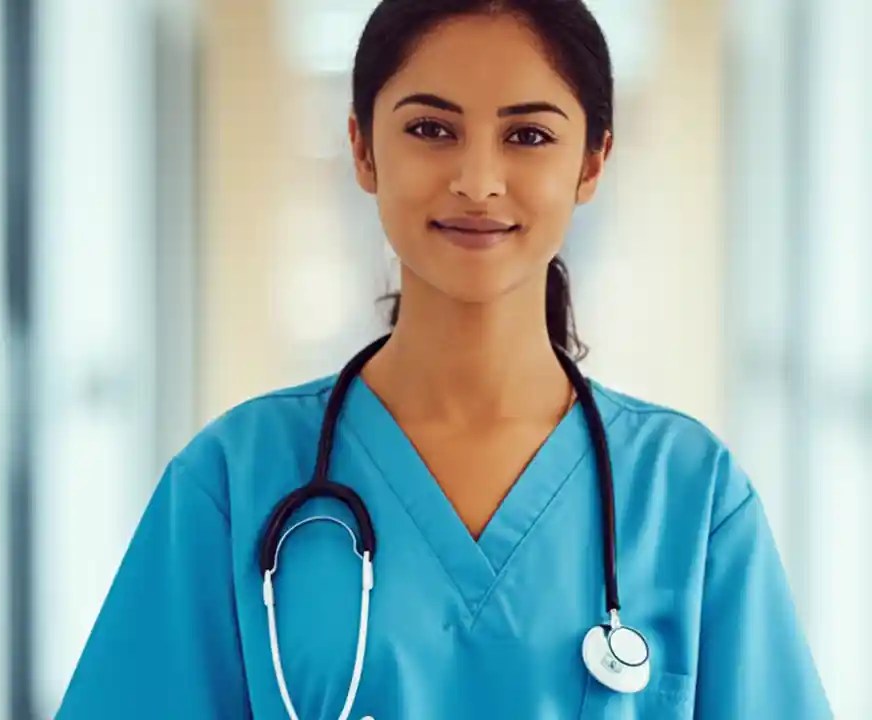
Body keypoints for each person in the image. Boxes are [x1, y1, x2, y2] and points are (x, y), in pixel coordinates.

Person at [57, 1, 831, 717]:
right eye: (431, 129)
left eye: (528, 136)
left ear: (593, 163)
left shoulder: (690, 495)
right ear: (362, 148)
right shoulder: (235, 479)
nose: (477, 182)